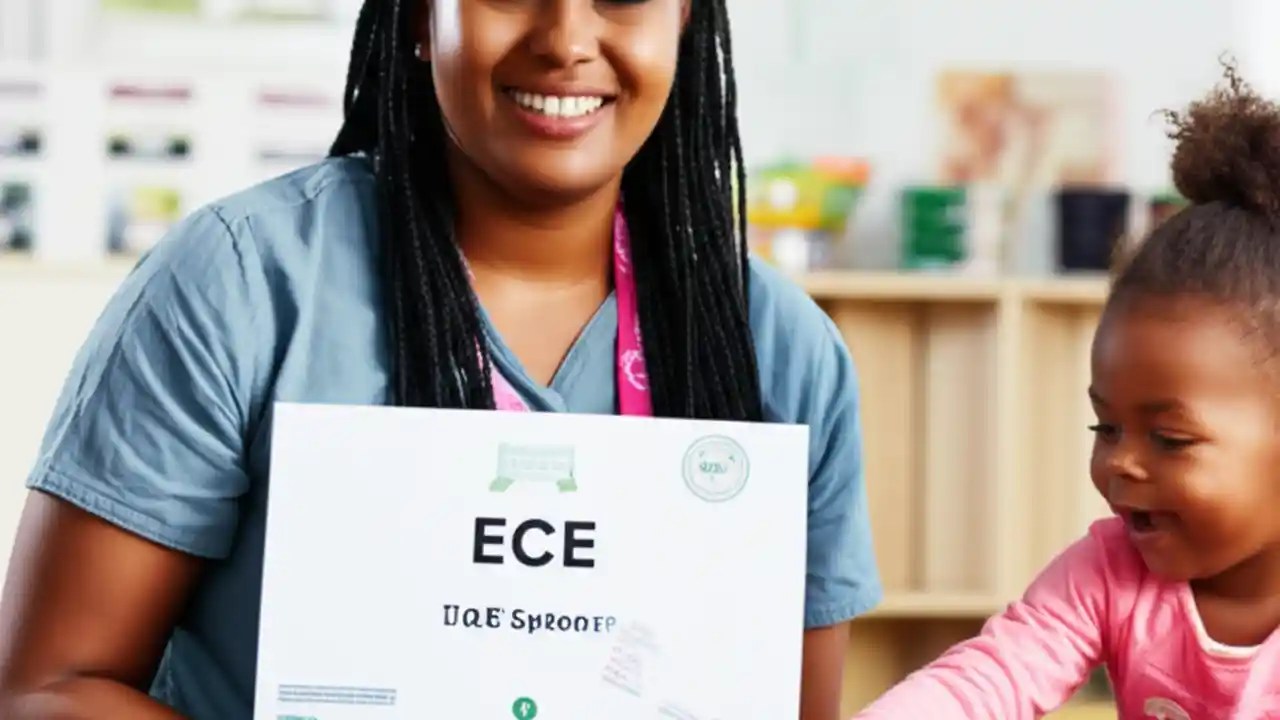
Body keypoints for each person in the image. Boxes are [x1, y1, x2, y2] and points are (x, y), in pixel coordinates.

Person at [0, 1, 882, 718]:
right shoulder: (242, 281)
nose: (566, 39)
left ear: (684, 20)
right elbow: (48, 691)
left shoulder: (779, 349)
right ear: (423, 16)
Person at [853, 63, 1280, 719]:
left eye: (1169, 438)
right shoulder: (1111, 570)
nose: (1120, 462)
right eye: (1105, 427)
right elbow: (987, 679)